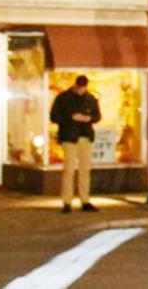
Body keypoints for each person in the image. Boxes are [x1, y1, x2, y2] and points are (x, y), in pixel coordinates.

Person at [50, 74, 101, 213]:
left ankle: (85, 200)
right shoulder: (63, 98)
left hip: (84, 136)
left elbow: (97, 116)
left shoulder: (90, 99)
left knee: (85, 169)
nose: (81, 90)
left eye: (83, 88)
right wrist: (71, 118)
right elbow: (54, 116)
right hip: (69, 137)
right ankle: (67, 201)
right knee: (69, 170)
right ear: (75, 85)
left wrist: (88, 118)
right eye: (79, 87)